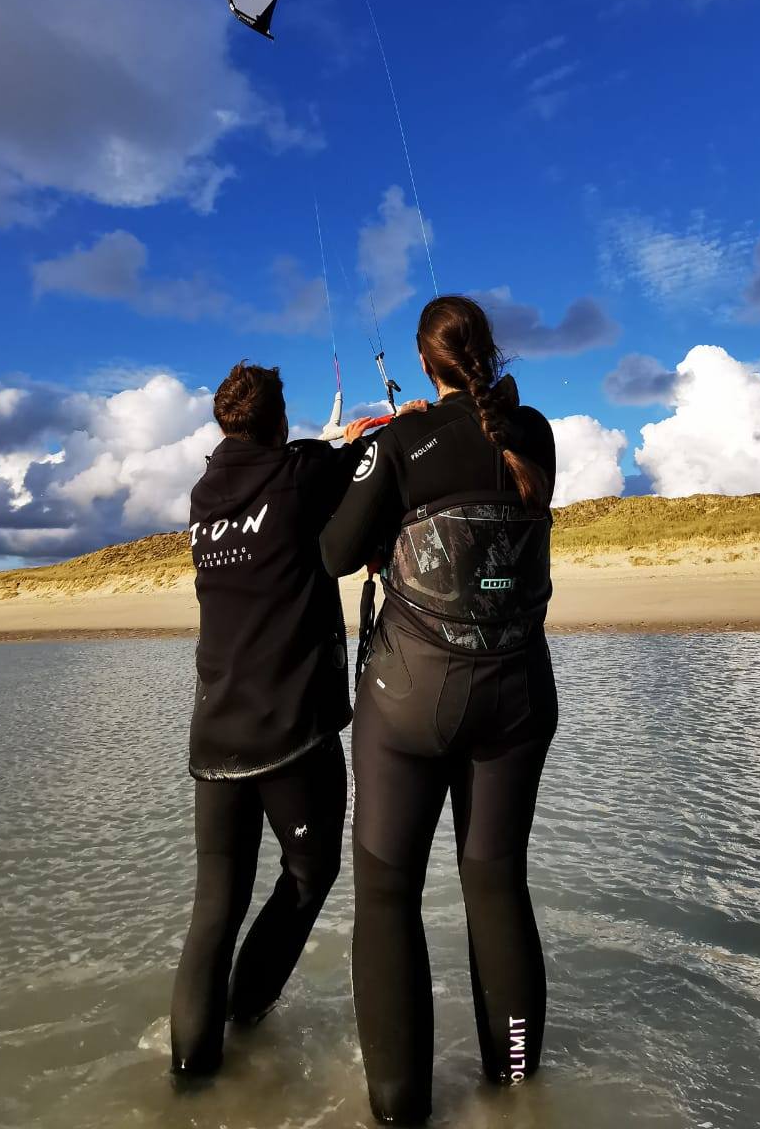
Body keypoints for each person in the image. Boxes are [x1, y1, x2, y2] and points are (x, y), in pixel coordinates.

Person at [320, 295, 559, 1125]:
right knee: (498, 884)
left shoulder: (398, 441)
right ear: (487, 354)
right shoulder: (533, 434)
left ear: (425, 365)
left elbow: (335, 554)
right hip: (520, 689)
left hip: (413, 695)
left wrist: (365, 451)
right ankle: (521, 1094)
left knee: (388, 898)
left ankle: (400, 1111)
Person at [169, 360, 381, 1077]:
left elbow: (313, 470)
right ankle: (247, 1010)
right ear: (278, 419)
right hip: (290, 731)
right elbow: (360, 461)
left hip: (214, 732)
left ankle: (190, 1082)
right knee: (309, 873)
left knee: (214, 908)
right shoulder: (298, 475)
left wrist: (333, 443)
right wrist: (369, 432)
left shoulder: (205, 496)